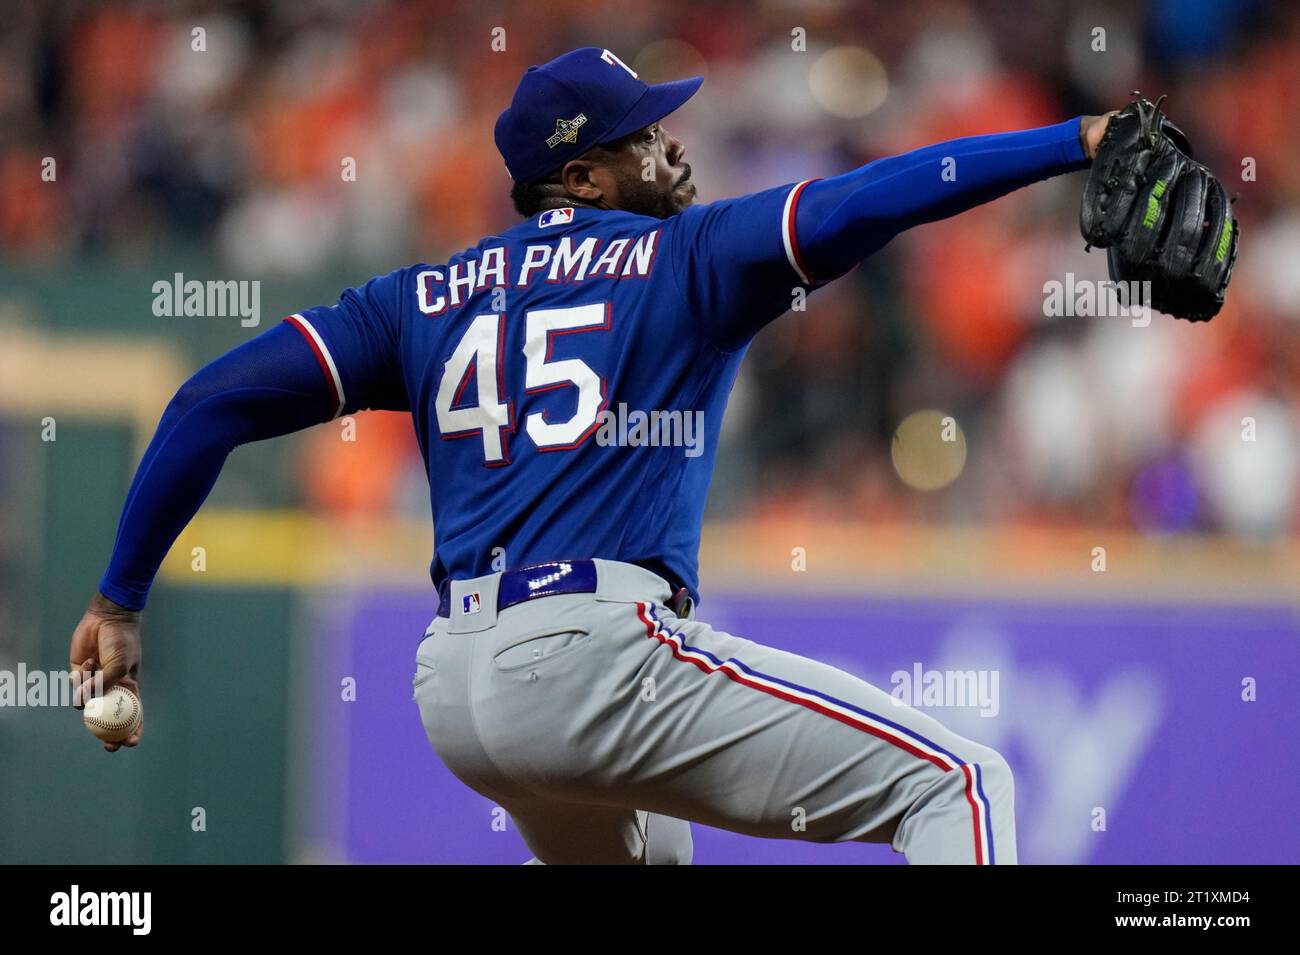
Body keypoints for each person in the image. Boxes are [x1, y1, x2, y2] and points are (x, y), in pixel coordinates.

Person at [69, 46, 1115, 864]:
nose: (676, 152)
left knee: (644, 855)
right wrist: (1073, 139)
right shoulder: (687, 255)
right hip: (595, 659)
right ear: (583, 174)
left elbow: (207, 403)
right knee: (958, 784)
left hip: (457, 690)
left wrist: (119, 598)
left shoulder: (417, 300)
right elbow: (876, 194)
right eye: (648, 139)